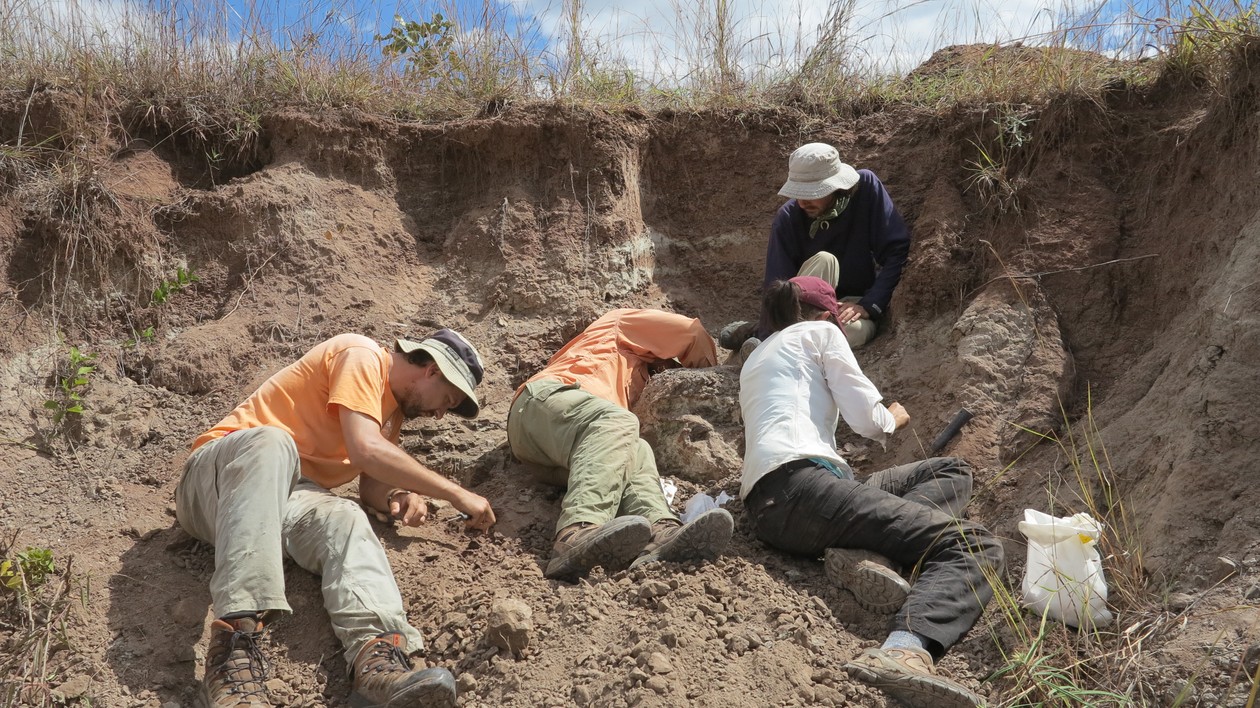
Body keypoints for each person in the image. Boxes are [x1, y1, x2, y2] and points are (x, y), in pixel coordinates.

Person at [177, 330, 496, 708]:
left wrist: (397, 493)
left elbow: (371, 486)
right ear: (430, 370)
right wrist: (456, 493)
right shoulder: (360, 355)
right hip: (217, 481)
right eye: (447, 399)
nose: (441, 413)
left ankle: (377, 662)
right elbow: (365, 450)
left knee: (344, 514)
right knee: (273, 442)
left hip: (282, 501)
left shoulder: (389, 417)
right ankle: (232, 654)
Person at [738, 277, 1003, 708]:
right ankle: (904, 650)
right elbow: (867, 420)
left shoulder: (759, 356)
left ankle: (872, 555)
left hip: (773, 502)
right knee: (973, 545)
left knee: (950, 469)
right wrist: (892, 417)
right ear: (828, 315)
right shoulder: (821, 332)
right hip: (805, 487)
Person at [508, 309, 735, 581]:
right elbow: (692, 333)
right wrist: (712, 383)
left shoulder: (638, 376)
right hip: (541, 404)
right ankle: (574, 533)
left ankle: (659, 531)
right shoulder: (621, 324)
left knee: (637, 449)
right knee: (620, 422)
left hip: (553, 452)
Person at [722, 142, 911, 355]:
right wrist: (768, 334)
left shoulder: (866, 188)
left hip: (850, 306)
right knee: (824, 259)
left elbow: (896, 250)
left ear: (836, 186)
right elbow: (776, 288)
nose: (802, 202)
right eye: (798, 193)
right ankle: (768, 338)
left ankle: (767, 337)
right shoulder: (787, 218)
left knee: (855, 333)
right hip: (804, 309)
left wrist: (870, 303)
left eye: (812, 193)